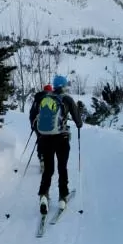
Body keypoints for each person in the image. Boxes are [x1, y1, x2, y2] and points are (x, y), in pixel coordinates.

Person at [29, 74, 82, 215]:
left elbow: (34, 116)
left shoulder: (44, 98)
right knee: (62, 168)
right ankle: (62, 197)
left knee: (48, 169)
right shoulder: (67, 99)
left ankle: (44, 196)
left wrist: (38, 133)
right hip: (62, 138)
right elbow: (78, 121)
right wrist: (77, 123)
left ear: (53, 86)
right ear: (63, 86)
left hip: (45, 138)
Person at [29, 83, 53, 172]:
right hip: (49, 125)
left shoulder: (37, 99)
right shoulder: (51, 99)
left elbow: (32, 113)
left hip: (37, 124)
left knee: (40, 140)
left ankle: (41, 157)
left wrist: (32, 125)